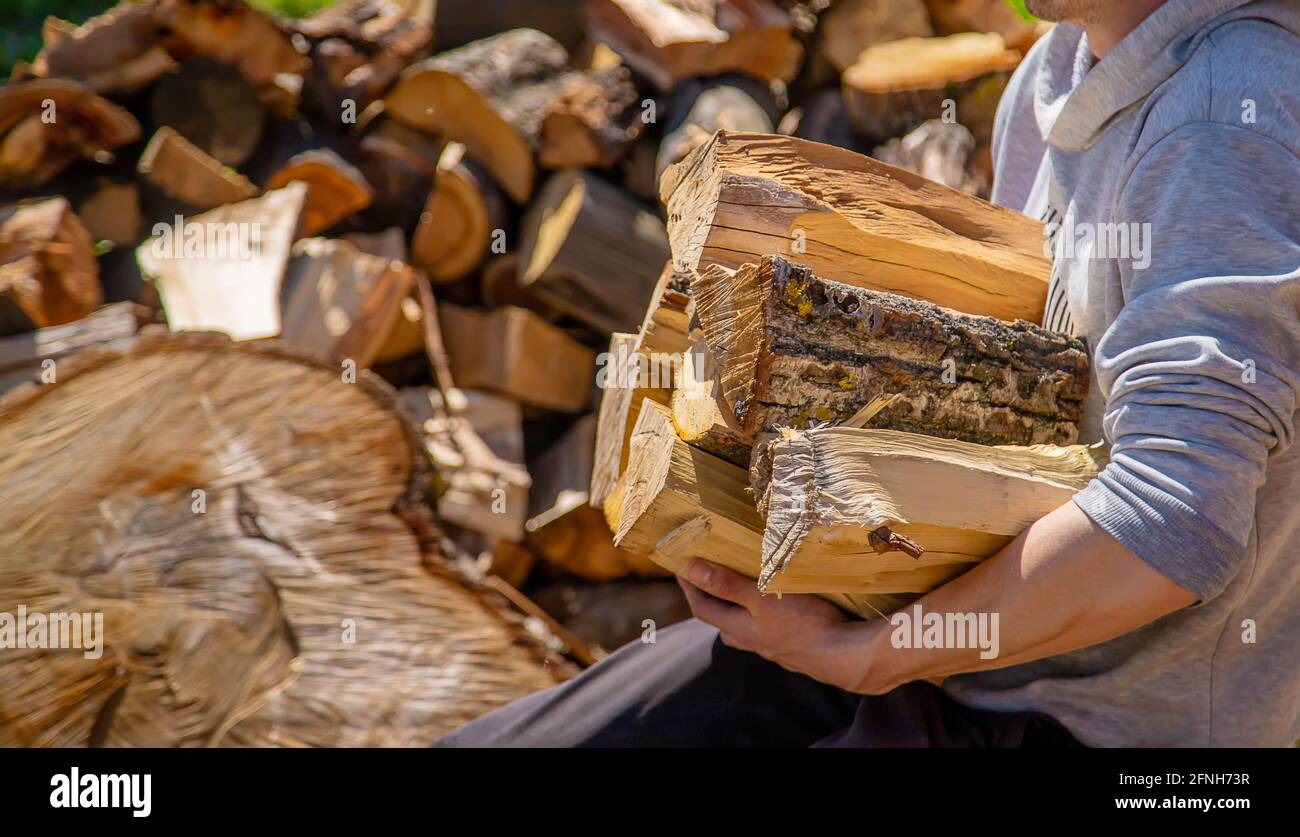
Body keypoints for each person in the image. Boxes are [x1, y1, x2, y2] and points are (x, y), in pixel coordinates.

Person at [438, 0, 1300, 747]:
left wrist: (868, 656)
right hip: (949, 660)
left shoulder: (1223, 119)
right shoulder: (1062, 70)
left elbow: (1174, 514)